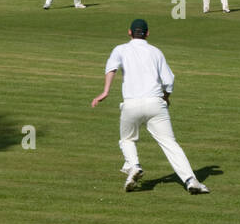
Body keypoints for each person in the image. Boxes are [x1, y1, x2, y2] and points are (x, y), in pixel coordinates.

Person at [90, 18, 210, 194]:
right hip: (155, 103)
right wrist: (166, 97)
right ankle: (191, 180)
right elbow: (169, 80)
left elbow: (111, 68)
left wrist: (105, 92)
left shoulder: (120, 49)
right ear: (147, 33)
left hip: (131, 104)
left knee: (127, 139)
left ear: (129, 33)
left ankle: (134, 166)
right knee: (170, 144)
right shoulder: (156, 52)